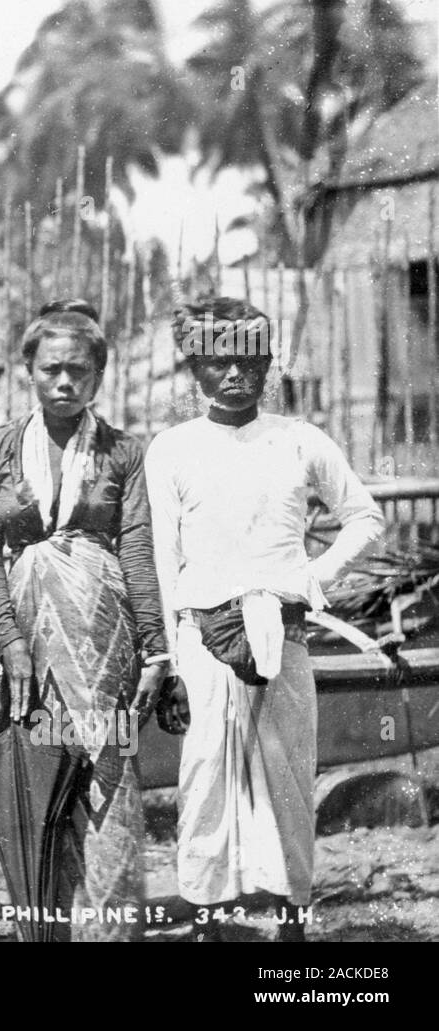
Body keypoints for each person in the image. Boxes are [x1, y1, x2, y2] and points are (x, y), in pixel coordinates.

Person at [146, 296, 384, 942]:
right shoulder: (171, 450)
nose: (235, 374)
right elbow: (167, 563)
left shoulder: (299, 439)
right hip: (203, 634)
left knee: (287, 778)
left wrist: (313, 576)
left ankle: (291, 924)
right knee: (205, 780)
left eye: (249, 360)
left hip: (283, 632)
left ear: (269, 363)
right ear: (194, 367)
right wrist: (170, 658)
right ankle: (210, 920)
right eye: (218, 360)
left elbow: (365, 516)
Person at [0, 299, 168, 941]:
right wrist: (9, 643)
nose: (65, 383)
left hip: (103, 635)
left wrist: (156, 650)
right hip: (29, 637)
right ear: (28, 369)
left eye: (79, 371)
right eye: (51, 369)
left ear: (97, 376)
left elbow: (137, 544)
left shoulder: (123, 451)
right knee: (40, 772)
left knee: (107, 771)